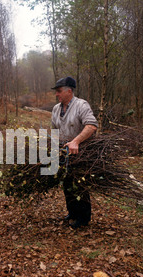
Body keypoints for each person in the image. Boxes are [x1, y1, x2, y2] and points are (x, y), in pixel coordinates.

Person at [51, 76, 98, 229]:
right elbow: (54, 130)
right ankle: (72, 212)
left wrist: (76, 141)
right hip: (63, 153)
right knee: (67, 183)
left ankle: (83, 218)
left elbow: (91, 126)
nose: (57, 94)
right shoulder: (56, 109)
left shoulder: (81, 105)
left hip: (80, 153)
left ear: (69, 91)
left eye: (59, 91)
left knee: (80, 185)